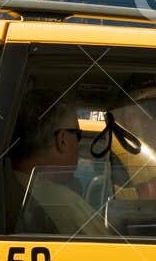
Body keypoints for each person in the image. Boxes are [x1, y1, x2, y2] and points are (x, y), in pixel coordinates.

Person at [10, 98, 107, 238]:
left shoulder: (0, 189)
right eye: (78, 135)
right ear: (62, 140)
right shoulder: (67, 205)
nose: (78, 145)